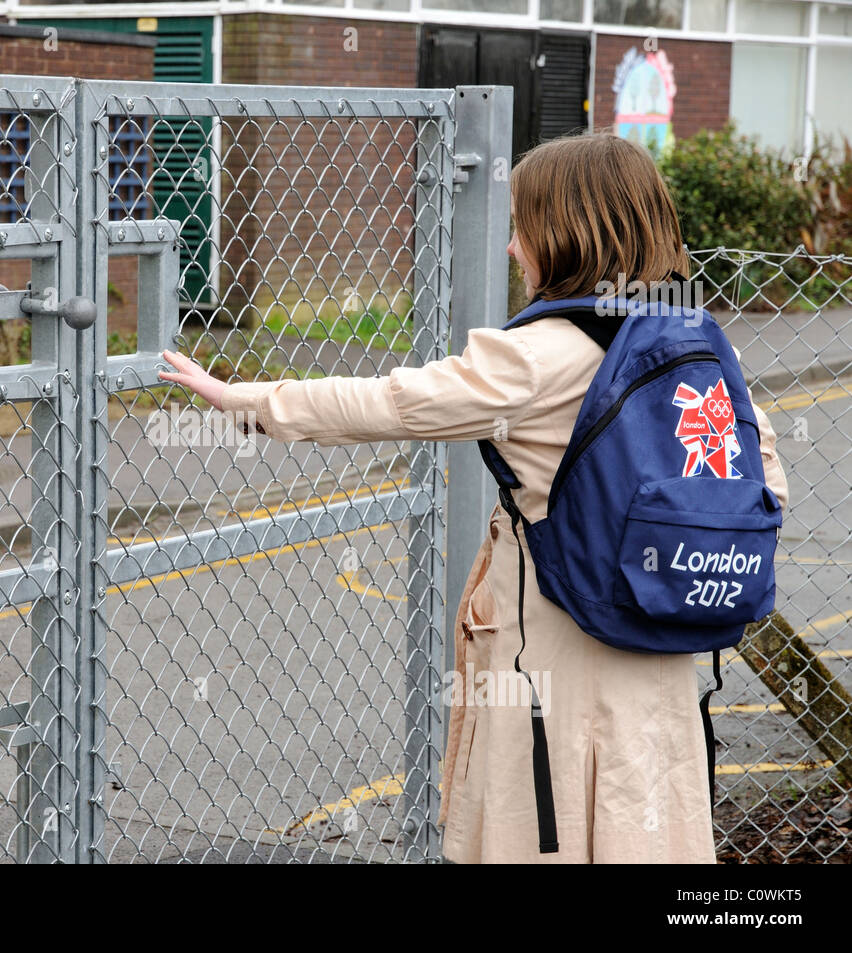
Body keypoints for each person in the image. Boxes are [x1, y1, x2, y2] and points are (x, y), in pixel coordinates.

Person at [158, 132, 789, 863]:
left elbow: (392, 404)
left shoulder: (536, 354)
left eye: (522, 224)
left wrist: (244, 398)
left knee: (543, 818)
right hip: (667, 637)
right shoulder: (699, 343)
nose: (515, 247)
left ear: (564, 231)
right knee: (642, 815)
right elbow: (764, 481)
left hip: (558, 638)